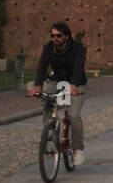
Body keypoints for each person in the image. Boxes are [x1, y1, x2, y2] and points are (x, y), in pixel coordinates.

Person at [28, 21, 88, 165]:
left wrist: (73, 85)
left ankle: (78, 149)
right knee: (47, 95)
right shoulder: (49, 48)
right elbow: (42, 66)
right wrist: (37, 86)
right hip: (58, 81)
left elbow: (78, 67)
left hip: (77, 82)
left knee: (73, 116)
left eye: (58, 35)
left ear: (66, 36)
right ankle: (49, 130)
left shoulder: (77, 48)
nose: (55, 38)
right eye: (53, 35)